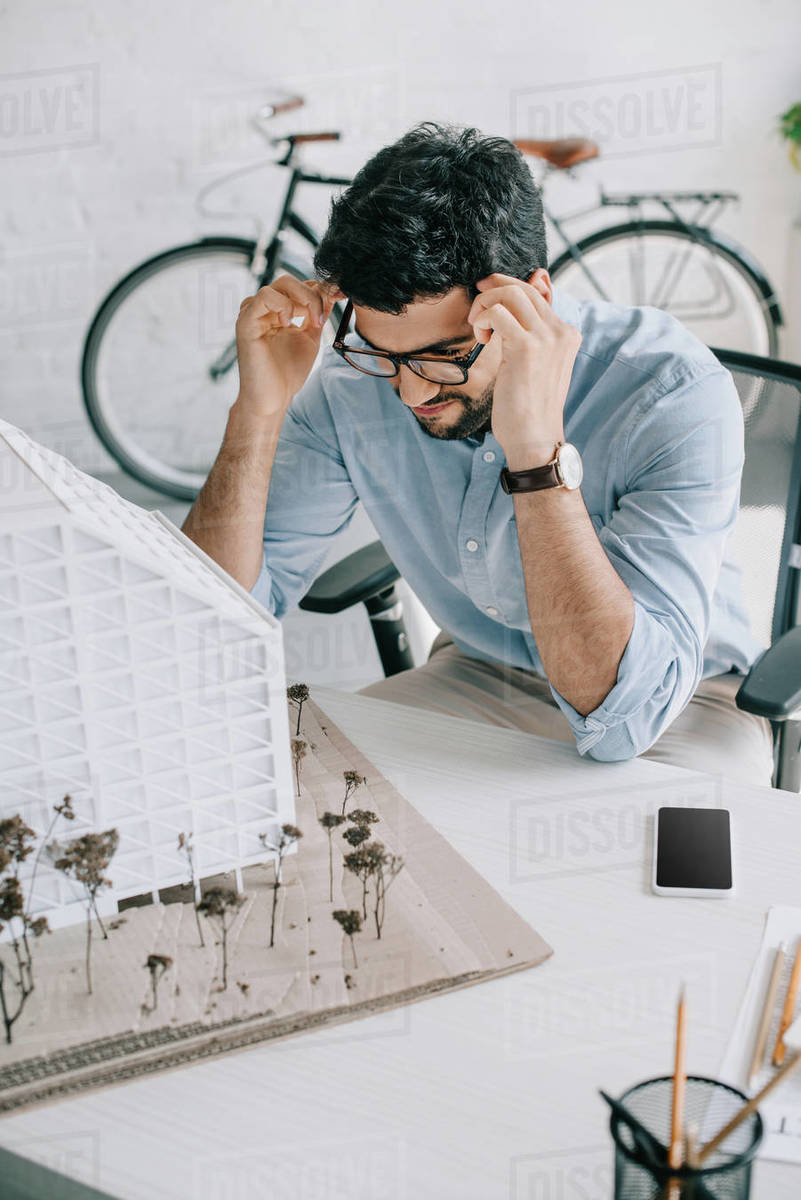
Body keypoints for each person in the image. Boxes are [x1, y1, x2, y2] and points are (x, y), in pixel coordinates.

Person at [181, 121, 774, 787]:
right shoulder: (354, 385)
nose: (408, 390)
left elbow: (624, 718)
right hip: (477, 675)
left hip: (679, 701)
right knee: (276, 794)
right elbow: (215, 625)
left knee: (656, 867)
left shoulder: (666, 389)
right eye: (383, 352)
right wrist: (255, 411)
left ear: (531, 300)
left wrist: (534, 452)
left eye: (443, 356)